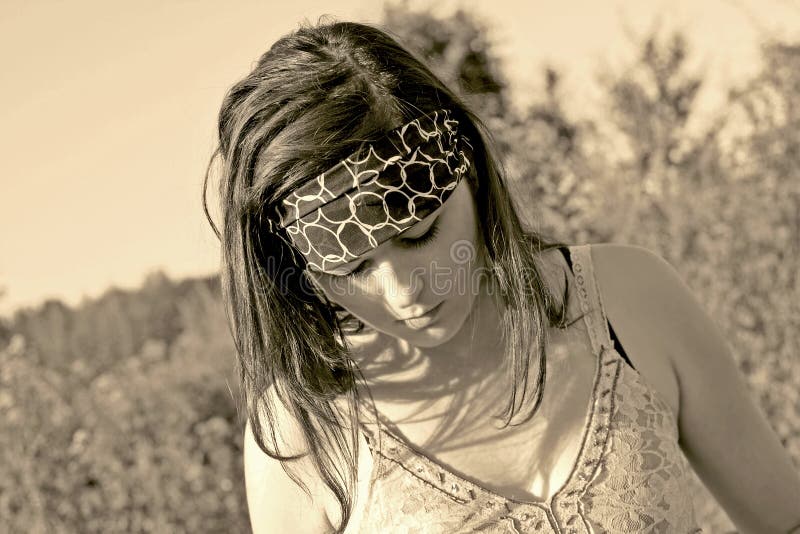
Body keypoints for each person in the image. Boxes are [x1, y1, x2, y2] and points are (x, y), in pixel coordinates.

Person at [203, 19, 800, 534]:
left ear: (473, 177)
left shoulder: (629, 298)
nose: (404, 291)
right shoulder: (305, 432)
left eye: (421, 235)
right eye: (352, 268)